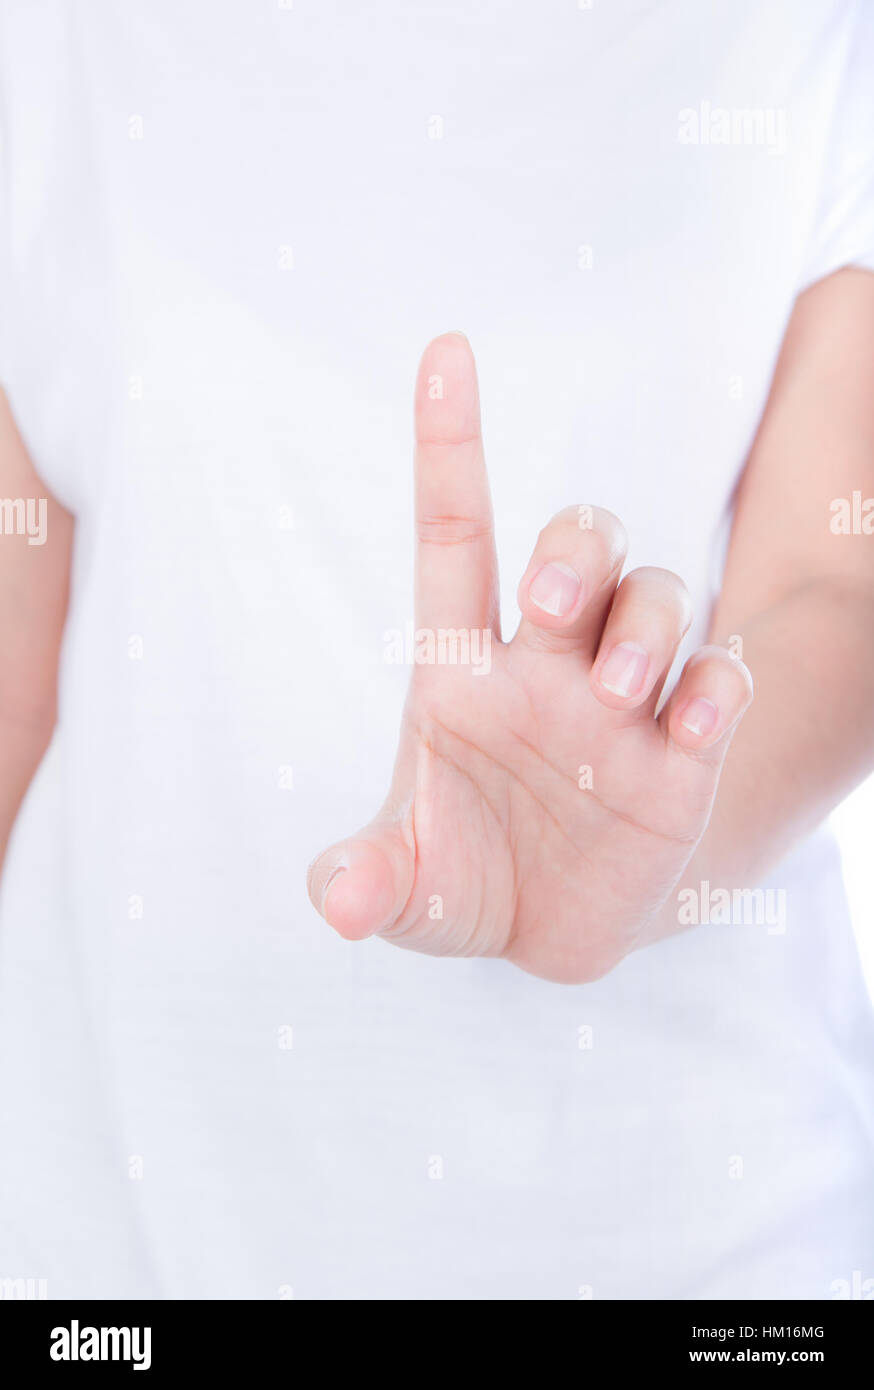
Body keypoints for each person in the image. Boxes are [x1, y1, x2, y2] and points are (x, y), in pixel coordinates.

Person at [0, 0, 872, 1300]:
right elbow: (21, 634)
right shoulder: (59, 39)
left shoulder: (812, 37)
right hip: (112, 1228)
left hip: (695, 1235)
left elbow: (835, 580)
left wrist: (665, 846)